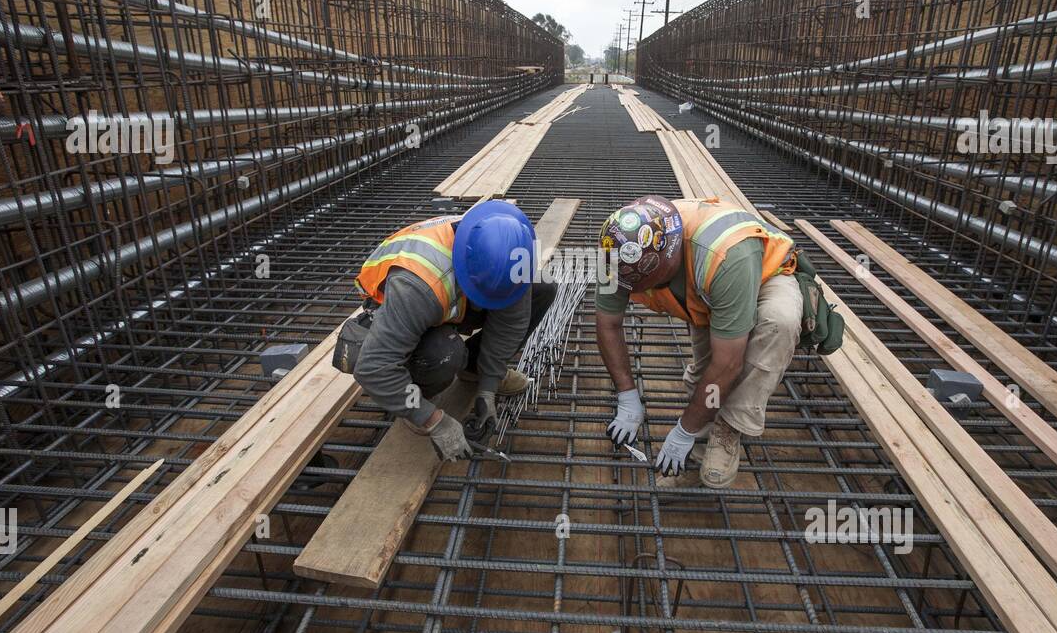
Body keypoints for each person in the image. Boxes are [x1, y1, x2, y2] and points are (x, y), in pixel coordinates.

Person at [595, 196, 838, 489]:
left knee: (777, 323)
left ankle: (728, 428)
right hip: (708, 292)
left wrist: (684, 430)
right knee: (706, 378)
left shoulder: (720, 257)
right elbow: (608, 323)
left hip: (763, 274)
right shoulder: (618, 249)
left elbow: (728, 364)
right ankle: (693, 464)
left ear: (670, 263)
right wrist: (627, 397)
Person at [333, 200, 556, 460]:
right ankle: (417, 399)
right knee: (444, 353)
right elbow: (373, 369)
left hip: (451, 296)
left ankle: (474, 369)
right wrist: (434, 420)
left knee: (542, 288)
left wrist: (488, 386)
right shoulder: (417, 286)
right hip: (398, 307)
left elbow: (510, 323)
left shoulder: (508, 253)